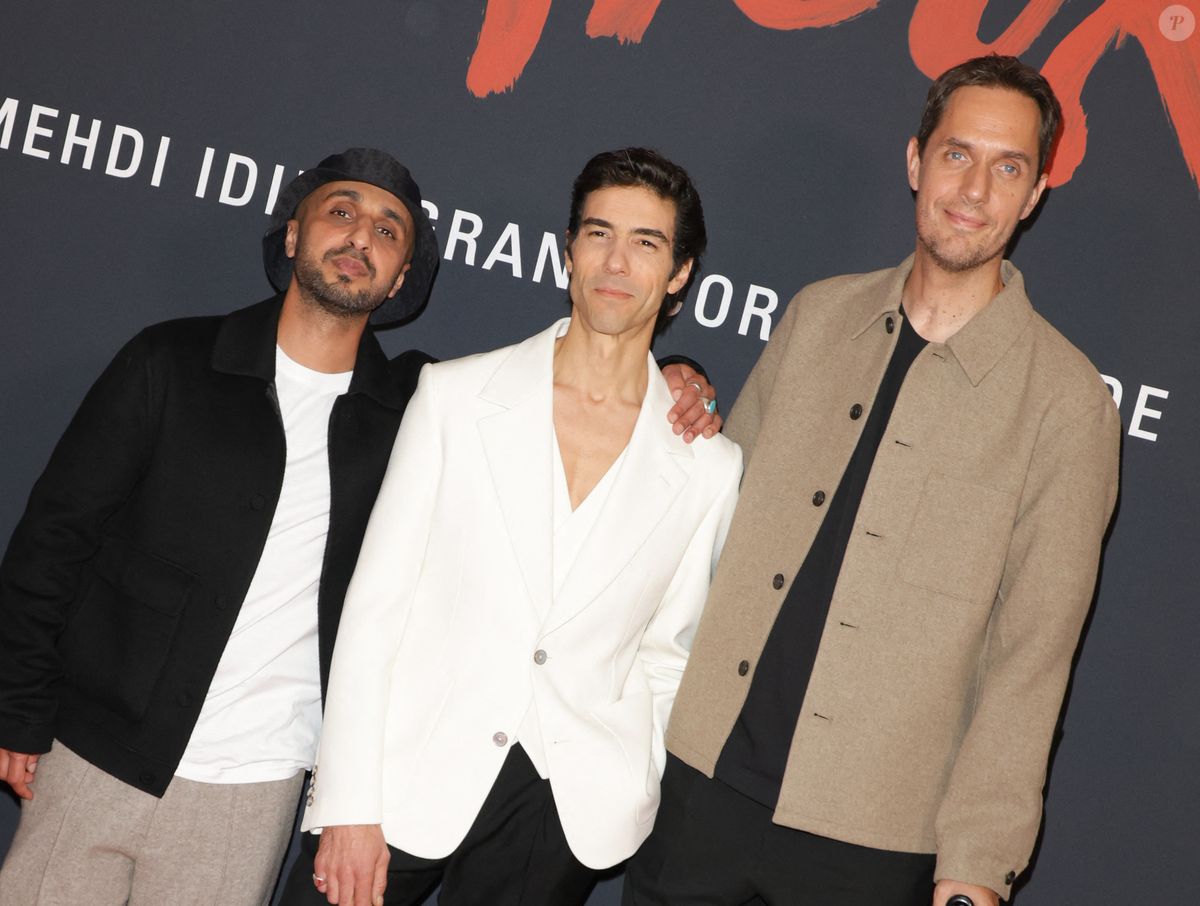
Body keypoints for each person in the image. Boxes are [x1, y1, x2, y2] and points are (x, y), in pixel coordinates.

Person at [0, 148, 720, 906]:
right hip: (98, 748)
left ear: (402, 276)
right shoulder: (173, 362)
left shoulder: (410, 402)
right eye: (340, 212)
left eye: (388, 230)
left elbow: (575, 415)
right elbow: (56, 536)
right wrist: (18, 705)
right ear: (290, 234)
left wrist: (677, 378)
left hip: (259, 779)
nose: (359, 238)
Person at [625, 56, 1121, 906]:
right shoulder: (818, 317)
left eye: (1009, 168)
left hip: (869, 842)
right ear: (915, 162)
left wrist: (976, 866)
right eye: (957, 154)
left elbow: (1031, 662)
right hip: (699, 785)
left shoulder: (1068, 406)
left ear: (1036, 194)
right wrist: (682, 389)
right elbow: (707, 520)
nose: (976, 189)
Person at [279, 148, 743, 906]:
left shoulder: (708, 466)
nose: (616, 261)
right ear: (569, 252)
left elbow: (670, 652)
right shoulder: (456, 397)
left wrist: (630, 772)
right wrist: (348, 805)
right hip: (405, 775)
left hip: (563, 805)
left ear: (681, 272)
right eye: (598, 234)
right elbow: (375, 610)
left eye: (646, 243)